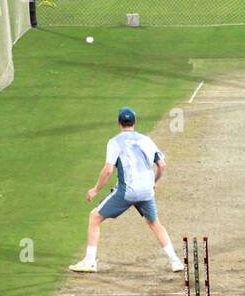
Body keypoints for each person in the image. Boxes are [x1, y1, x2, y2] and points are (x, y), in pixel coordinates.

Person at [69, 107, 185, 274]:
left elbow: (108, 170)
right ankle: (175, 261)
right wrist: (154, 182)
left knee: (94, 217)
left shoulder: (114, 142)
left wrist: (95, 189)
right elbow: (162, 165)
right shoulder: (146, 140)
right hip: (146, 190)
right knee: (154, 223)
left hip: (127, 191)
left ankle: (89, 262)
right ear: (134, 122)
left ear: (118, 123)